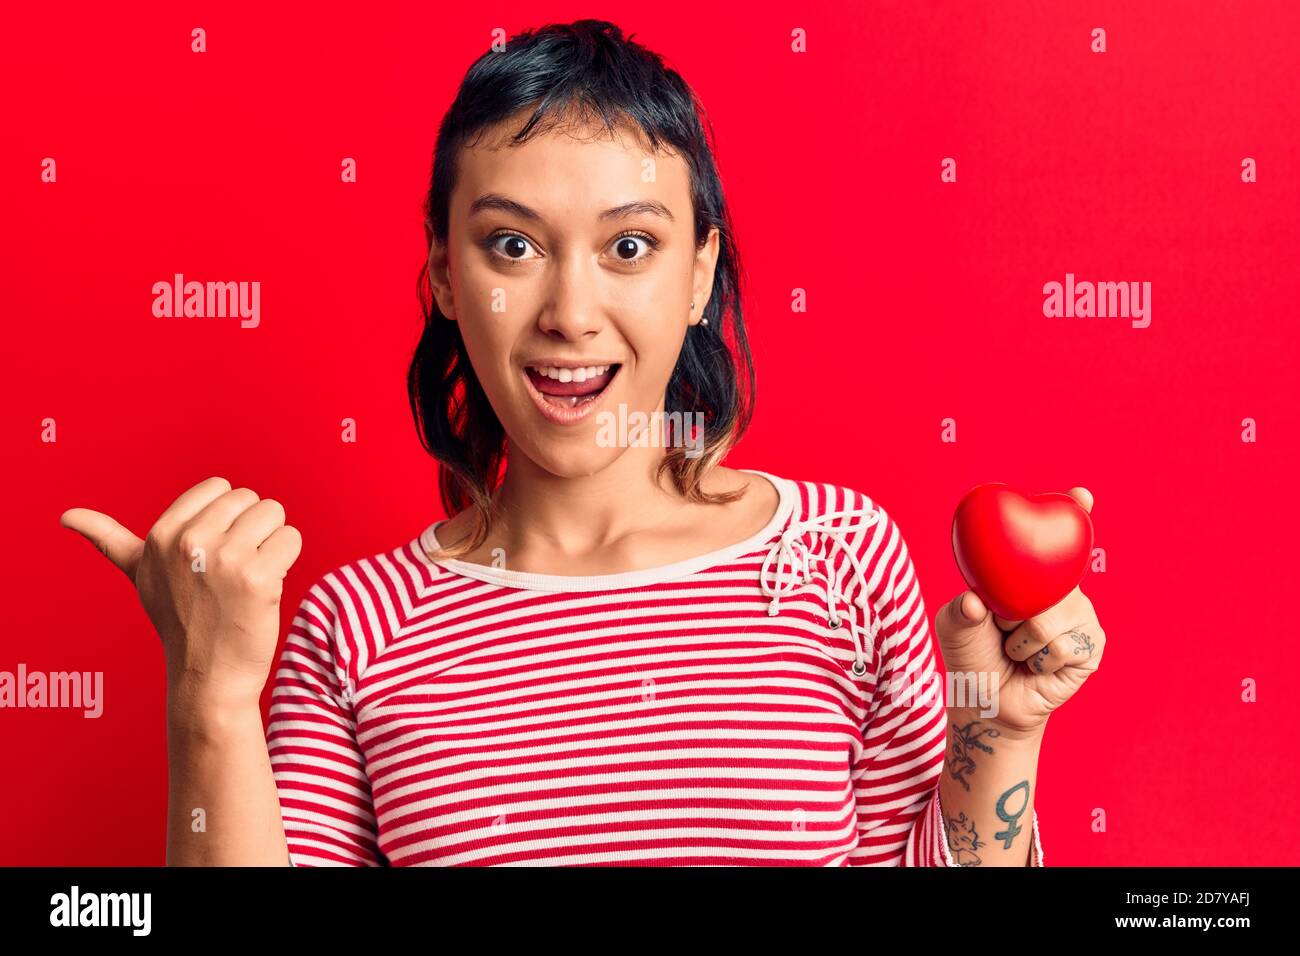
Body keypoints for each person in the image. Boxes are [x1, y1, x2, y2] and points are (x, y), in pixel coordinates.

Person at [61, 18, 1105, 867]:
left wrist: (1000, 731)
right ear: (442, 276)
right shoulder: (353, 629)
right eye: (512, 243)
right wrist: (209, 695)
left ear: (699, 272)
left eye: (628, 246)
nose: (569, 309)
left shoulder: (838, 554)